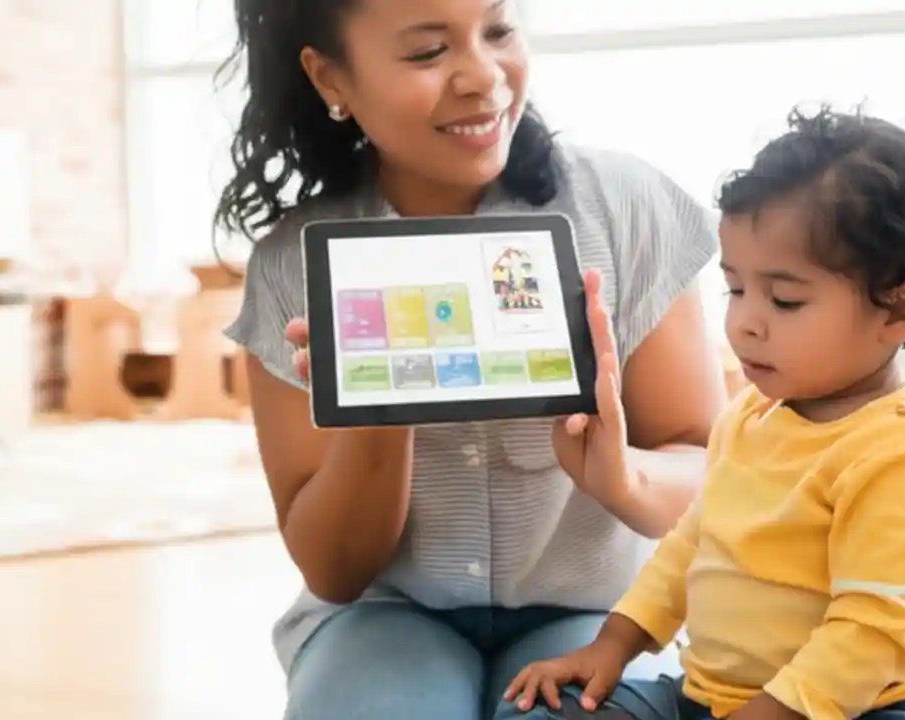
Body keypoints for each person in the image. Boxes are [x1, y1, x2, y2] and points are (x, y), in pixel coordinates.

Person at [215, 0, 727, 718]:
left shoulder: (623, 208)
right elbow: (333, 571)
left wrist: (626, 475)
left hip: (593, 613)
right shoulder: (290, 270)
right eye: (428, 52)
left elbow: (709, 466)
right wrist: (377, 418)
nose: (484, 78)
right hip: (384, 616)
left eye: (498, 30)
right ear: (331, 77)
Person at [505, 106, 905, 720]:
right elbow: (692, 544)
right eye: (736, 289)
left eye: (784, 299)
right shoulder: (752, 415)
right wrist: (615, 644)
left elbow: (872, 637)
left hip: (852, 708)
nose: (745, 323)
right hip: (707, 699)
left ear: (899, 311)